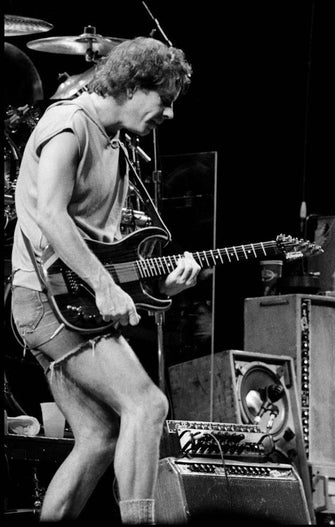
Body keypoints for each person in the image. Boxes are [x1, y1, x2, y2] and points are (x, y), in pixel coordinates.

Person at [10, 37, 200, 523]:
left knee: (97, 439)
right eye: (166, 100)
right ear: (135, 86)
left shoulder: (116, 142)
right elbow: (52, 215)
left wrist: (158, 286)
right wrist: (102, 285)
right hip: (46, 301)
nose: (170, 115)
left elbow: (103, 251)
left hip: (65, 303)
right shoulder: (69, 124)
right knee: (147, 405)